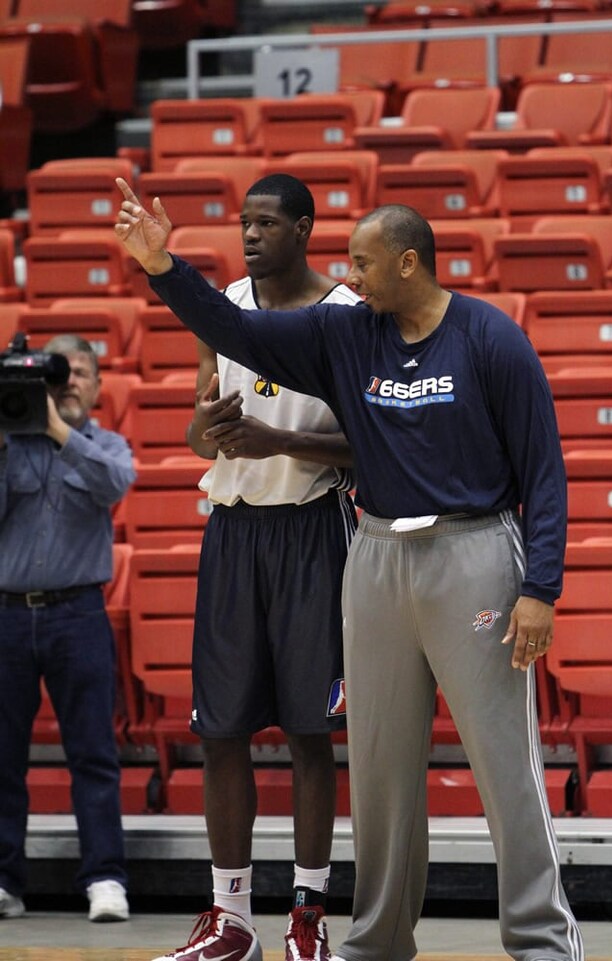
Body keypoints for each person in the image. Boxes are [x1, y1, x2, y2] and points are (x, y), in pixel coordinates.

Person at [115, 183, 585, 961]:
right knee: (378, 771)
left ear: (409, 262)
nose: (351, 277)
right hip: (372, 554)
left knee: (505, 763)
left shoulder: (490, 338)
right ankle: (376, 941)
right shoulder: (345, 335)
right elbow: (232, 326)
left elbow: (545, 471)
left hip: (473, 553)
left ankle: (541, 941)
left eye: (364, 265)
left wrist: (542, 588)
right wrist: (162, 264)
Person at [147, 174, 359, 961]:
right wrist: (209, 428)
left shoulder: (345, 317)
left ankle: (308, 916)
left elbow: (367, 447)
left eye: (267, 221)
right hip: (234, 534)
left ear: (304, 228)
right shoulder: (223, 304)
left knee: (312, 730)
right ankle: (230, 918)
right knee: (222, 730)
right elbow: (201, 439)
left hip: (314, 532)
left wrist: (283, 442)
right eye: (245, 222)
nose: (251, 235)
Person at [0, 334, 135, 923]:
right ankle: (4, 881)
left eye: (81, 371)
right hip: (6, 617)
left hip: (78, 615)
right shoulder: (9, 442)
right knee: (2, 757)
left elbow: (114, 484)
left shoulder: (106, 445)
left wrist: (57, 430)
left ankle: (105, 877)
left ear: (99, 385)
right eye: (59, 372)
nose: (70, 380)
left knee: (93, 754)